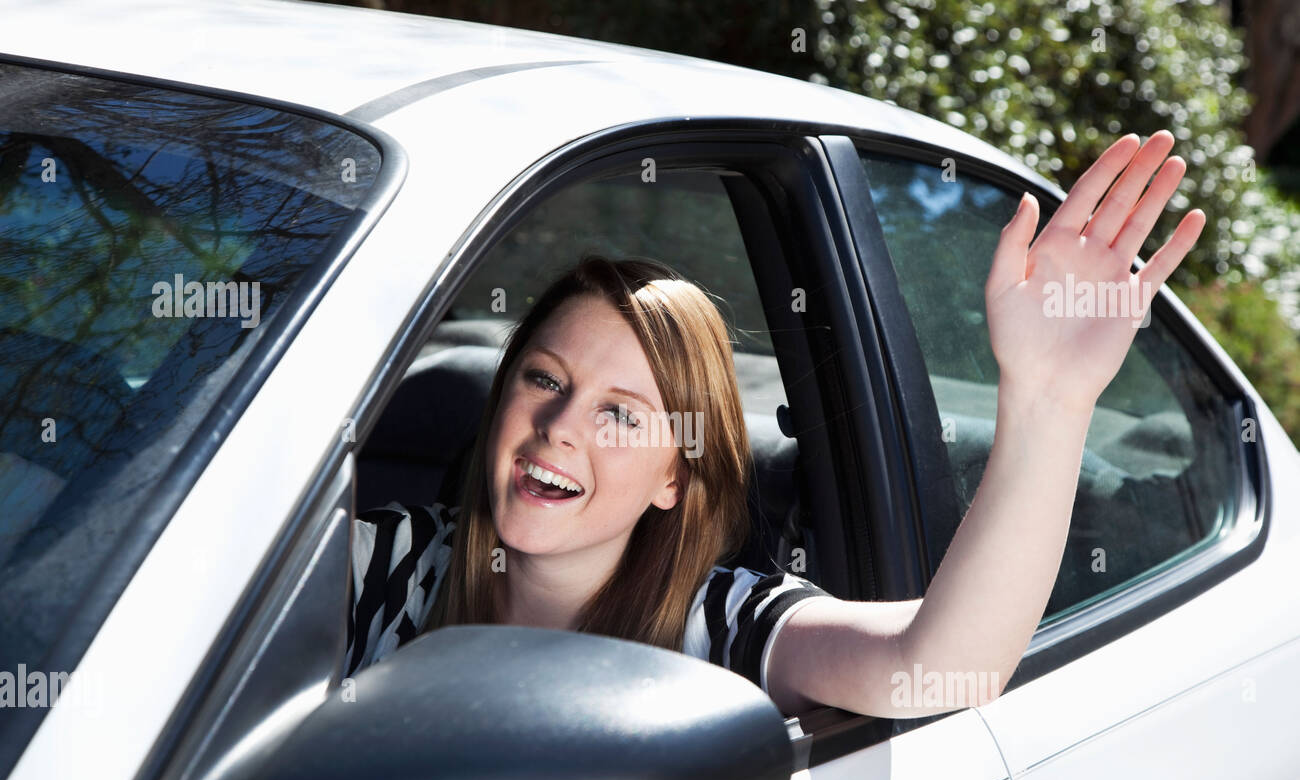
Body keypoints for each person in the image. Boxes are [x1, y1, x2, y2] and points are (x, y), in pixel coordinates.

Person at [348, 130, 1205, 719]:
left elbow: (938, 666)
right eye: (544, 378)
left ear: (675, 476)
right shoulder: (386, 558)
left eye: (620, 412)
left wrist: (1050, 398)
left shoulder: (719, 624)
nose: (561, 426)